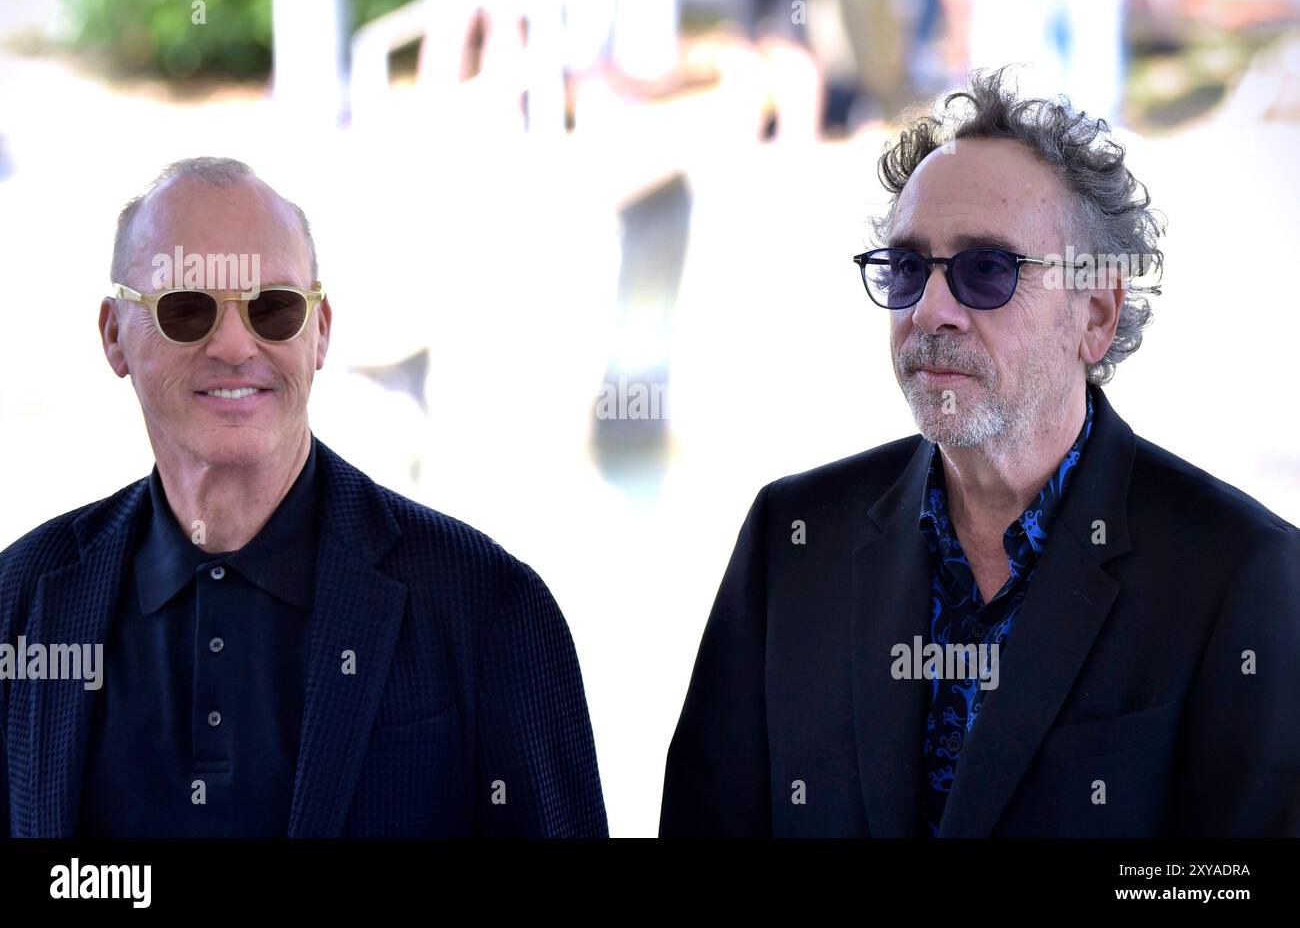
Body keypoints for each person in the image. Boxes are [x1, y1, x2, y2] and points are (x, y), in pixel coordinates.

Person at [660, 67, 1300, 837]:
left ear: (1095, 315)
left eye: (986, 271)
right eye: (906, 268)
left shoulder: (1242, 571)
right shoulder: (791, 538)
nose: (932, 309)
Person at [0, 157, 606, 837]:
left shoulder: (487, 606)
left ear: (318, 332)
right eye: (187, 309)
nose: (234, 344)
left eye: (274, 308)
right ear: (114, 335)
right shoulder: (19, 603)